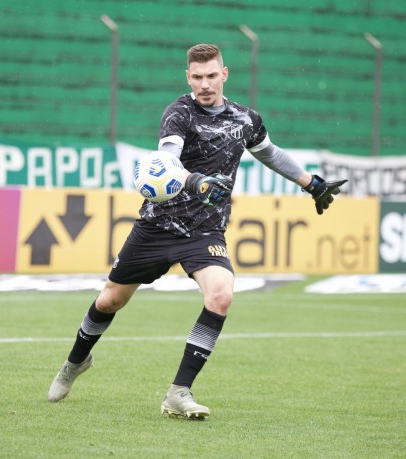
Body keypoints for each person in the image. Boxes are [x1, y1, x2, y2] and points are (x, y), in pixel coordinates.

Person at [47, 43, 346, 420]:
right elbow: (166, 159)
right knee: (109, 301)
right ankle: (74, 363)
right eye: (197, 77)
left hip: (206, 232)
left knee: (221, 296)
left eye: (211, 75)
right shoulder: (179, 114)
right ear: (188, 77)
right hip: (157, 226)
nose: (205, 84)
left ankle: (178, 392)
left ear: (225, 74)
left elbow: (269, 152)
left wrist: (311, 183)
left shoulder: (245, 119)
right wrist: (196, 182)